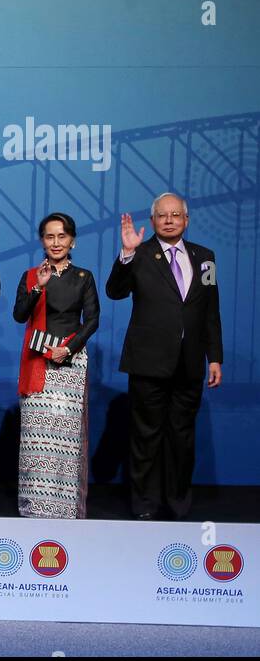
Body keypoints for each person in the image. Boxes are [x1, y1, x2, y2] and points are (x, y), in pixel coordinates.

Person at [106, 193, 223, 520]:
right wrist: (126, 254)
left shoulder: (206, 258)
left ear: (186, 220)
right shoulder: (139, 254)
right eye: (162, 215)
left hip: (190, 363)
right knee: (145, 437)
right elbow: (115, 291)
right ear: (153, 220)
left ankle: (178, 505)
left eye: (176, 215)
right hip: (148, 362)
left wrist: (214, 356)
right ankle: (145, 505)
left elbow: (210, 310)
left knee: (182, 439)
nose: (169, 220)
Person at [12, 212, 99, 519]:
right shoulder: (32, 275)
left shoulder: (83, 277)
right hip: (37, 363)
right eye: (50, 236)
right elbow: (19, 315)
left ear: (72, 240)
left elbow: (92, 320)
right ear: (42, 241)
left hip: (69, 364)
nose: (56, 242)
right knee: (37, 436)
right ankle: (35, 506)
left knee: (66, 436)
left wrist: (68, 349)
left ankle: (64, 508)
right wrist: (39, 287)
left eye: (62, 236)